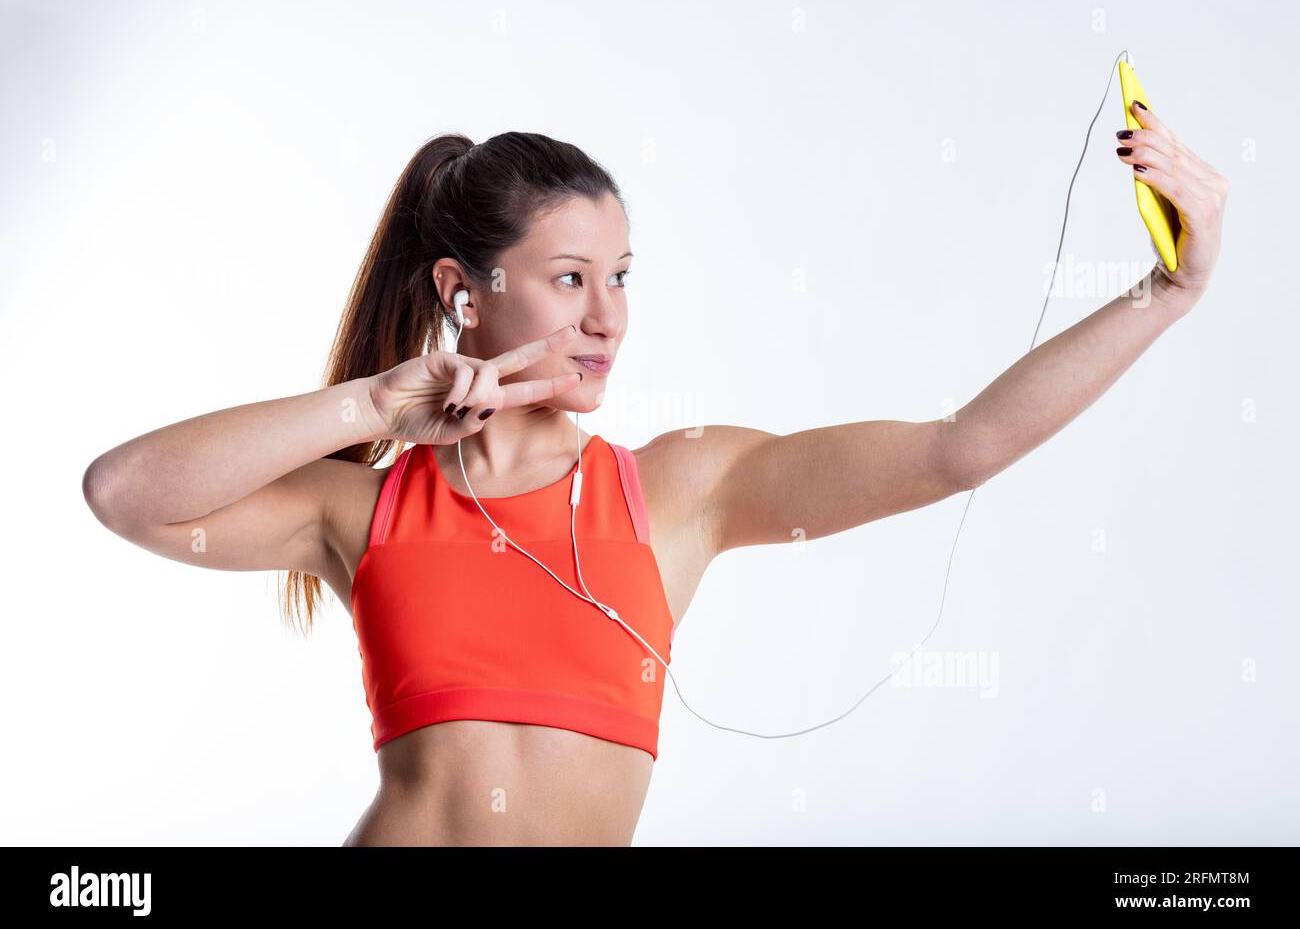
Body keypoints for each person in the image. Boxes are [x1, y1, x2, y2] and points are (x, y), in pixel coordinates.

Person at [81, 115, 1227, 846]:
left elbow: (956, 446)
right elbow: (125, 490)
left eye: (621, 276)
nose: (608, 316)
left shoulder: (682, 487)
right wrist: (376, 406)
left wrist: (1164, 293)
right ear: (462, 289)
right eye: (570, 277)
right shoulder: (369, 506)